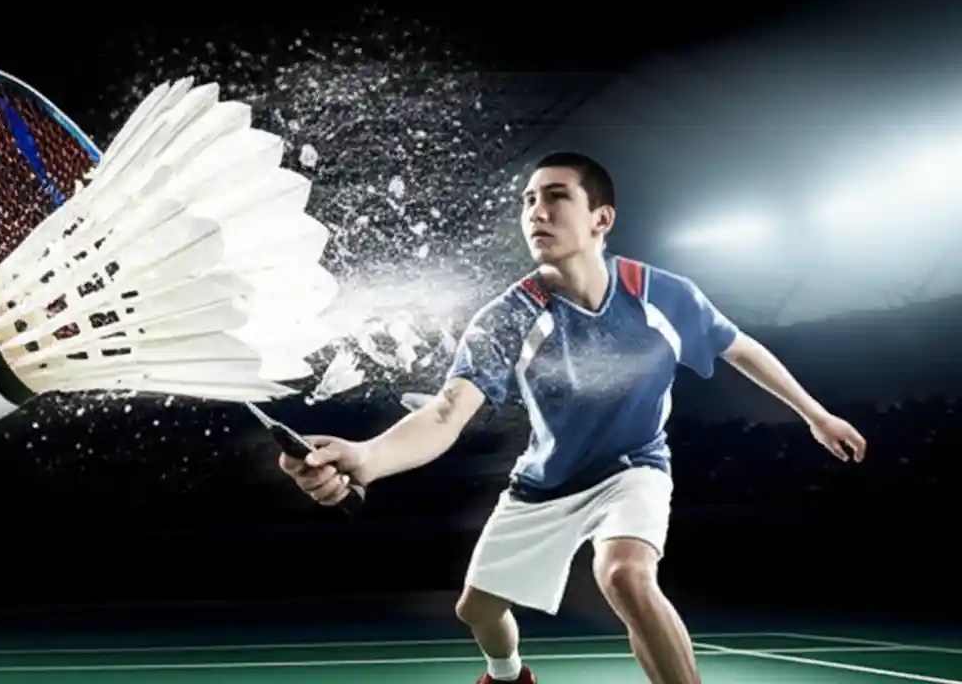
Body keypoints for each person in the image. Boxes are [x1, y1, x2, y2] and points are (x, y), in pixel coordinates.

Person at [277, 151, 868, 684]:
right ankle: (508, 677)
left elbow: (741, 348)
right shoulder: (507, 317)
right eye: (528, 200)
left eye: (556, 196)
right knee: (477, 610)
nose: (536, 210)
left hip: (633, 466)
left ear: (600, 219)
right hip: (544, 485)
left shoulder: (664, 296)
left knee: (625, 576)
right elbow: (445, 412)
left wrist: (817, 416)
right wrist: (367, 458)